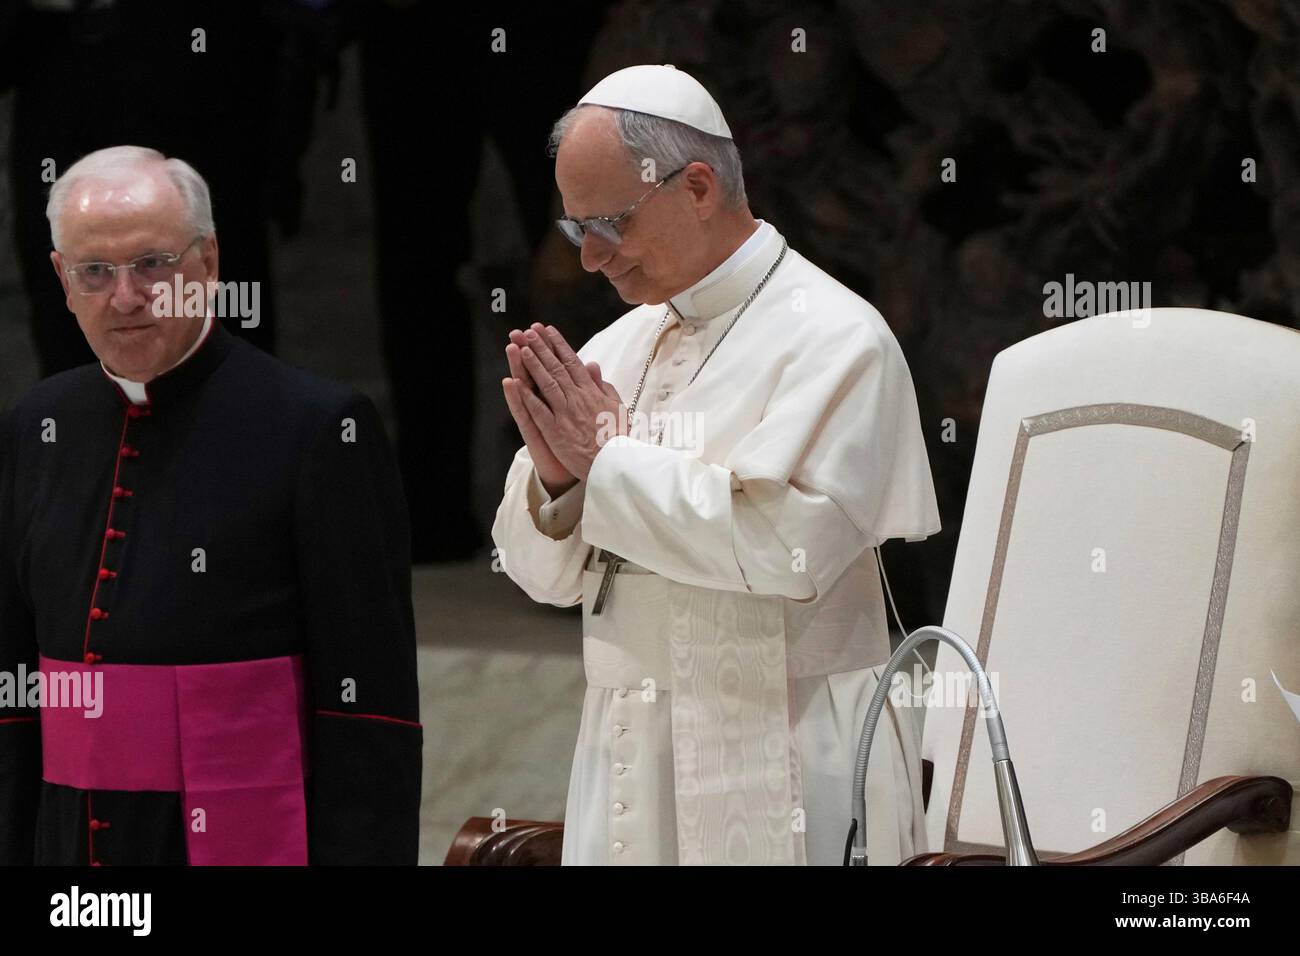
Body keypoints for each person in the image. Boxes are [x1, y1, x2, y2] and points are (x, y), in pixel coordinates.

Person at [491, 65, 941, 865]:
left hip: (792, 741)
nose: (590, 259)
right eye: (575, 228)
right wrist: (560, 483)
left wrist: (606, 461)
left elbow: (785, 549)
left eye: (610, 223)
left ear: (697, 186)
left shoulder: (838, 339)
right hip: (626, 748)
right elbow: (543, 580)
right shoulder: (615, 348)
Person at [0, 146, 422, 865]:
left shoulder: (317, 428)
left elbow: (371, 713)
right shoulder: (37, 426)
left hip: (243, 834)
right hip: (70, 845)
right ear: (61, 279)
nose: (125, 297)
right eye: (95, 272)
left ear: (209, 261)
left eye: (152, 265)